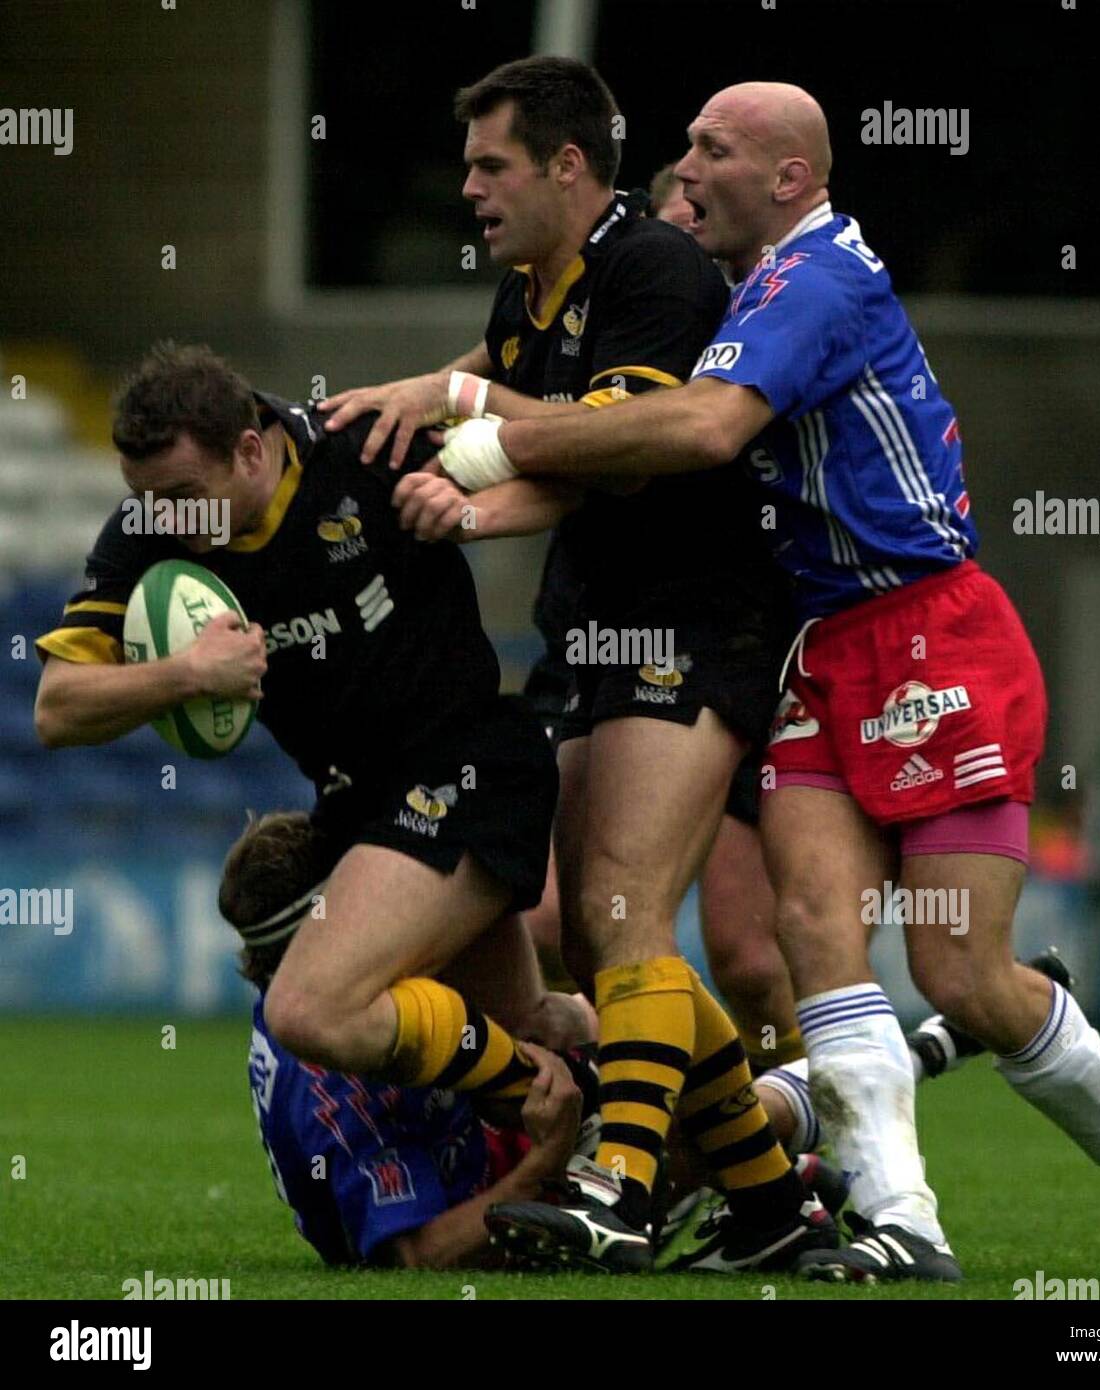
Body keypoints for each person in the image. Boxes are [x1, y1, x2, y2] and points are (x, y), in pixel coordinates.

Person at [417, 81, 1100, 1282]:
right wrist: (448, 389)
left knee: (962, 973)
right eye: (681, 145)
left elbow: (696, 431)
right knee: (806, 935)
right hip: (819, 650)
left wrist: (487, 429)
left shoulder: (812, 280)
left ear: (788, 179)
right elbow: (572, 357)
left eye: (710, 150)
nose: (678, 169)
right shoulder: (738, 282)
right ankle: (904, 1223)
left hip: (929, 634)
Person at [318, 57, 831, 1273]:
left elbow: (627, 452)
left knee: (630, 915)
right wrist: (449, 415)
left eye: (490, 164)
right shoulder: (531, 293)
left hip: (689, 627)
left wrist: (468, 460)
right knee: (604, 946)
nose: (469, 189)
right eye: (466, 167)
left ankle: (617, 1184)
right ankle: (767, 1206)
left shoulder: (648, 266)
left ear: (564, 165)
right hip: (592, 632)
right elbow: (526, 412)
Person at [34, 343, 594, 1128]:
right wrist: (188, 674)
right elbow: (57, 710)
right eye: (149, 501)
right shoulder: (151, 527)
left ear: (251, 449)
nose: (169, 520)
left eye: (185, 495)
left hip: (465, 769)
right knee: (526, 1023)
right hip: (357, 805)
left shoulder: (365, 446)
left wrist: (475, 513)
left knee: (309, 1011)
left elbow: (572, 477)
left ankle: (554, 1107)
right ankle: (723, 1116)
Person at [224, 810, 585, 1269]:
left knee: (587, 1021)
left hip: (475, 1143)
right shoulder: (335, 1086)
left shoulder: (322, 1004)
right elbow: (416, 1254)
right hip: (479, 1199)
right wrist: (546, 1167)